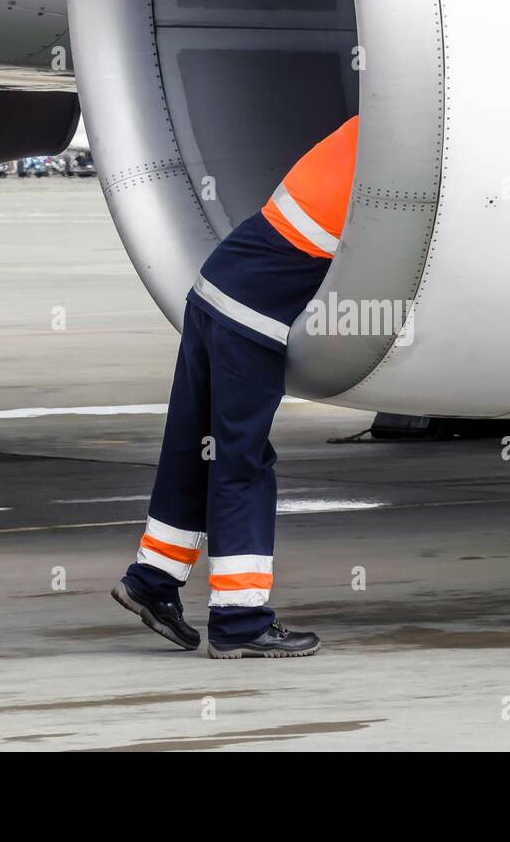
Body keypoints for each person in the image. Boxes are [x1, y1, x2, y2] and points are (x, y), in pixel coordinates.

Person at [111, 116, 359, 658]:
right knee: (241, 463)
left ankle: (151, 581)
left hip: (212, 291)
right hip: (250, 318)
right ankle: (240, 620)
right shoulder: (397, 161)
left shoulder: (357, 135)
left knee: (191, 447)